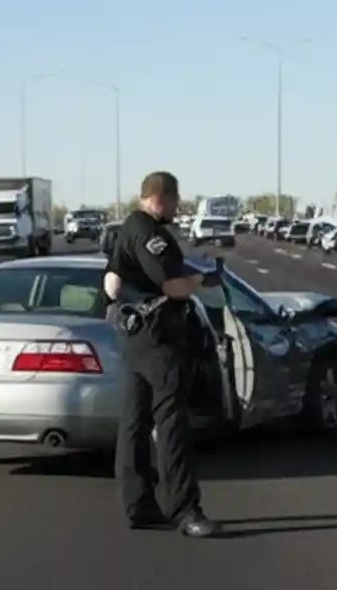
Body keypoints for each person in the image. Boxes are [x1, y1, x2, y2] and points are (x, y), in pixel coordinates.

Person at [104, 170, 220, 538]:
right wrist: (203, 280)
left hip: (133, 341)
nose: (176, 207)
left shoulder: (126, 230)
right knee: (171, 424)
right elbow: (172, 285)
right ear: (161, 198)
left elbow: (112, 283)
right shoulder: (150, 234)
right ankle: (185, 510)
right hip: (159, 341)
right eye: (174, 200)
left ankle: (138, 504)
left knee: (134, 422)